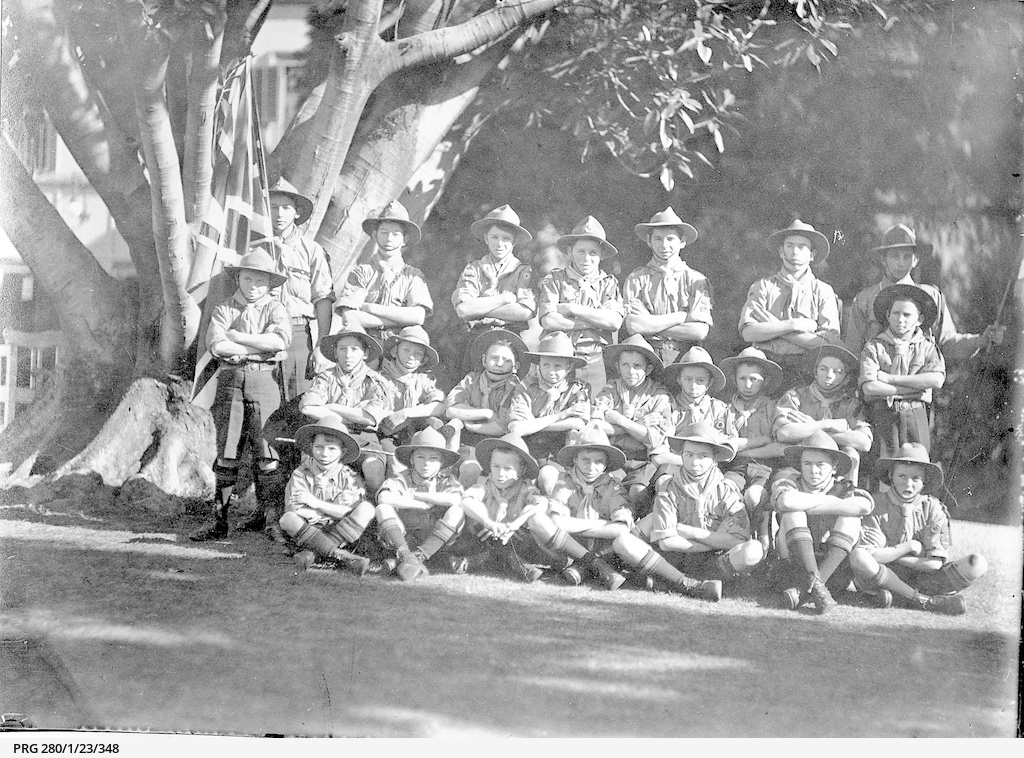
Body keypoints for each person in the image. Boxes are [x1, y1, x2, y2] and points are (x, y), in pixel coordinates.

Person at [190, 245, 291, 542]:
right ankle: (219, 520)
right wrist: (257, 348)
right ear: (238, 279)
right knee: (227, 452)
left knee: (267, 453)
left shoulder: (276, 308)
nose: (253, 286)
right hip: (231, 382)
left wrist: (239, 339)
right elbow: (217, 345)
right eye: (248, 279)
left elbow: (280, 341)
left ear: (270, 283)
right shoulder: (225, 308)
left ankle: (271, 520)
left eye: (260, 280)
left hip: (265, 382)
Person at [848, 443, 986, 615]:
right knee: (858, 556)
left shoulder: (933, 508)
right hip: (882, 575)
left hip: (921, 577)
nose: (908, 484)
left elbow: (934, 564)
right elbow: (869, 555)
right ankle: (924, 600)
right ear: (891, 475)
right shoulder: (876, 504)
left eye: (916, 478)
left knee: (977, 563)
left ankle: (898, 596)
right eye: (902, 476)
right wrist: (909, 547)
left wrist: (893, 554)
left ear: (924, 480)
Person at [634, 421, 762, 598]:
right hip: (673, 559)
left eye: (703, 456)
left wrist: (691, 532)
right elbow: (666, 542)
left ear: (715, 459)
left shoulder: (726, 491)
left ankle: (669, 582)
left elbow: (739, 540)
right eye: (689, 455)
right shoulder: (669, 487)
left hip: (712, 562)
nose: (695, 462)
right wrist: (715, 539)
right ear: (681, 456)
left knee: (754, 549)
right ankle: (686, 583)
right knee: (625, 542)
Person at [845, 223, 1006, 359]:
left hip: (920, 380)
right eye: (895, 256)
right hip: (877, 381)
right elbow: (853, 352)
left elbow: (947, 342)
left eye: (907, 257)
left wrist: (980, 340)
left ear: (915, 260)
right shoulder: (864, 300)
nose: (901, 263)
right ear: (883, 259)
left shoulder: (931, 296)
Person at [770, 431, 874, 615]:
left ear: (834, 467)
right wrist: (833, 503)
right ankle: (816, 586)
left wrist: (810, 504)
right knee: (793, 514)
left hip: (833, 570)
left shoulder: (844, 487)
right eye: (807, 463)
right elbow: (785, 501)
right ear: (800, 465)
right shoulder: (790, 482)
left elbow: (864, 505)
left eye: (821, 464)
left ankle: (810, 588)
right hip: (794, 569)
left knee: (851, 518)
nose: (813, 470)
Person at [737, 219, 842, 393]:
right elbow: (748, 333)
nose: (795, 252)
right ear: (781, 251)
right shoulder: (763, 287)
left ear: (812, 254)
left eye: (802, 247)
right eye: (790, 246)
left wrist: (774, 327)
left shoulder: (823, 291)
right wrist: (794, 325)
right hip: (766, 367)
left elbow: (827, 344)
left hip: (806, 370)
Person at [299, 321, 392, 494]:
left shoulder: (374, 381)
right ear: (335, 352)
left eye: (354, 349)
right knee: (313, 472)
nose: (348, 355)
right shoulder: (326, 377)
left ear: (365, 353)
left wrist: (332, 407)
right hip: (329, 434)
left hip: (364, 437)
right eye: (342, 349)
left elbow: (370, 418)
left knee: (373, 469)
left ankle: (371, 505)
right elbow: (307, 407)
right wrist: (351, 416)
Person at [278, 415, 377, 575]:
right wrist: (334, 509)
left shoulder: (349, 477)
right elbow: (295, 510)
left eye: (332, 449)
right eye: (319, 447)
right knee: (287, 519)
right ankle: (342, 557)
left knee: (367, 509)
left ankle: (312, 554)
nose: (324, 454)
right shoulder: (300, 474)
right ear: (311, 447)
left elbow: (350, 512)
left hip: (338, 531)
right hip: (308, 529)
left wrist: (315, 503)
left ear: (343, 452)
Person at [538, 424, 634, 588]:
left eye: (598, 462)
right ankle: (591, 565)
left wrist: (573, 524)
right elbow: (556, 522)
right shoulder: (565, 482)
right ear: (575, 459)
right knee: (541, 522)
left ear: (606, 464)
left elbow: (621, 528)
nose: (591, 467)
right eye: (585, 460)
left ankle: (585, 567)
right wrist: (604, 524)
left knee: (624, 541)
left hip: (604, 549)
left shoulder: (614, 487)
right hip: (569, 547)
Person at [266, 177, 335, 400]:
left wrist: (322, 346)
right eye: (273, 207)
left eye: (286, 208)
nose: (279, 214)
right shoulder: (253, 246)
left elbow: (323, 299)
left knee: (296, 400)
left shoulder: (311, 250)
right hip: (260, 331)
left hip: (297, 334)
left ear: (297, 212)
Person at [537, 216, 624, 390]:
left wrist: (572, 308)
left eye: (593, 253)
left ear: (601, 255)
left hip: (596, 359)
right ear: (570, 252)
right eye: (581, 251)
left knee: (595, 403)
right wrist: (594, 321)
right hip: (559, 359)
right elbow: (549, 320)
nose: (586, 258)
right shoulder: (555, 279)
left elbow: (613, 322)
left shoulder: (608, 283)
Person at [859, 284, 945, 459]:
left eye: (907, 315)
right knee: (885, 463)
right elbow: (870, 388)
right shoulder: (875, 346)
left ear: (919, 319)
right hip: (884, 413)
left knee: (916, 461)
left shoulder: (927, 347)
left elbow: (936, 380)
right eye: (896, 313)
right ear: (887, 315)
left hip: (915, 414)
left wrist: (890, 379)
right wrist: (916, 390)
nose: (900, 319)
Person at [334, 201, 433, 349]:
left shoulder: (413, 276)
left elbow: (418, 316)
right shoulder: (362, 273)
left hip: (397, 350)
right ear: (375, 235)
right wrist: (400, 319)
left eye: (395, 234)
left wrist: (371, 308)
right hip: (365, 347)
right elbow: (349, 316)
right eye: (384, 232)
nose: (389, 239)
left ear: (404, 239)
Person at [622, 207, 713, 365]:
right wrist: (680, 317)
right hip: (647, 356)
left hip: (684, 358)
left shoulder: (696, 280)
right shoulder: (636, 279)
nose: (664, 245)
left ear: (682, 241)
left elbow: (699, 331)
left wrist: (649, 322)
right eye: (658, 239)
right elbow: (634, 326)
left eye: (670, 239)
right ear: (649, 241)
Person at [451, 205, 536, 372]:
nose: (499, 244)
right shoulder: (474, 269)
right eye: (494, 237)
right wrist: (503, 299)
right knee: (472, 382)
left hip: (510, 340)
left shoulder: (523, 271)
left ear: (514, 241)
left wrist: (479, 309)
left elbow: (524, 311)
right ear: (485, 238)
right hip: (477, 338)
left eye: (506, 238)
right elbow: (463, 309)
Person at [374, 427, 466, 581]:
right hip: (405, 539)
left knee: (457, 511)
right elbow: (383, 497)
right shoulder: (402, 478)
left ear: (441, 462)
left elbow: (455, 499)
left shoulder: (446, 480)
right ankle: (406, 556)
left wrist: (417, 495)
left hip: (435, 542)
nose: (426, 463)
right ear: (411, 460)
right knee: (382, 508)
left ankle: (416, 558)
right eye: (421, 457)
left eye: (433, 458)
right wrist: (420, 505)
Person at [719, 347, 788, 549]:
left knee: (754, 495)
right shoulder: (725, 408)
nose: (748, 385)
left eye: (754, 379)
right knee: (726, 489)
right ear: (734, 379)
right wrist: (763, 440)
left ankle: (764, 539)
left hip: (765, 468)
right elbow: (720, 445)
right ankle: (734, 539)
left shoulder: (774, 407)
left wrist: (741, 450)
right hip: (734, 468)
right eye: (742, 378)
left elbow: (781, 448)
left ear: (765, 381)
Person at [774, 345, 873, 486]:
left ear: (846, 378)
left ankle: (847, 493)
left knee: (851, 453)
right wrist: (825, 424)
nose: (829, 375)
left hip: (833, 466)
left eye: (838, 372)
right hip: (798, 464)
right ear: (815, 372)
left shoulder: (850, 403)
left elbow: (864, 442)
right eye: (823, 369)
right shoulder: (796, 396)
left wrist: (810, 429)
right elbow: (784, 433)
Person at [590, 334, 673, 500]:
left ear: (648, 369)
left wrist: (619, 419)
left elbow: (654, 438)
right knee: (608, 488)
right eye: (625, 365)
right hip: (613, 456)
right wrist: (638, 425)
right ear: (618, 366)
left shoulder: (659, 396)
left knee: (637, 490)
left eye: (637, 366)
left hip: (642, 459)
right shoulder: (611, 390)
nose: (630, 371)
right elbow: (594, 425)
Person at [444, 328, 530, 484]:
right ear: (484, 360)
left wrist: (470, 424)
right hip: (468, 442)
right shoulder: (471, 379)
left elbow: (502, 427)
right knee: (464, 468)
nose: (499, 364)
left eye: (506, 360)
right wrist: (487, 413)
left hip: (499, 447)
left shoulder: (516, 388)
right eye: (494, 358)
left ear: (516, 366)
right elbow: (451, 409)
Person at [507, 331, 592, 463]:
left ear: (569, 367)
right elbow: (517, 428)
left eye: (557, 366)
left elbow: (578, 423)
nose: (551, 372)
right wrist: (563, 415)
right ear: (539, 364)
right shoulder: (525, 387)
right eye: (546, 365)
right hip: (529, 447)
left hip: (561, 448)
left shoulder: (578, 388)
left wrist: (533, 424)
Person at [654, 346, 735, 468]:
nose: (693, 386)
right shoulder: (669, 407)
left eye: (700, 380)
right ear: (679, 379)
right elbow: (659, 454)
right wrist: (690, 462)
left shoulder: (719, 410)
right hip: (674, 466)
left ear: (710, 382)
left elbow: (727, 449)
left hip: (708, 469)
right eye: (687, 379)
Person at [377, 325, 446, 453]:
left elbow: (439, 406)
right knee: (393, 458)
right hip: (388, 436)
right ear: (394, 351)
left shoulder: (423, 379)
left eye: (417, 353)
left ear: (423, 360)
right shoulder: (381, 379)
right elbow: (386, 425)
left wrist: (406, 413)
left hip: (414, 434)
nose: (411, 356)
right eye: (406, 350)